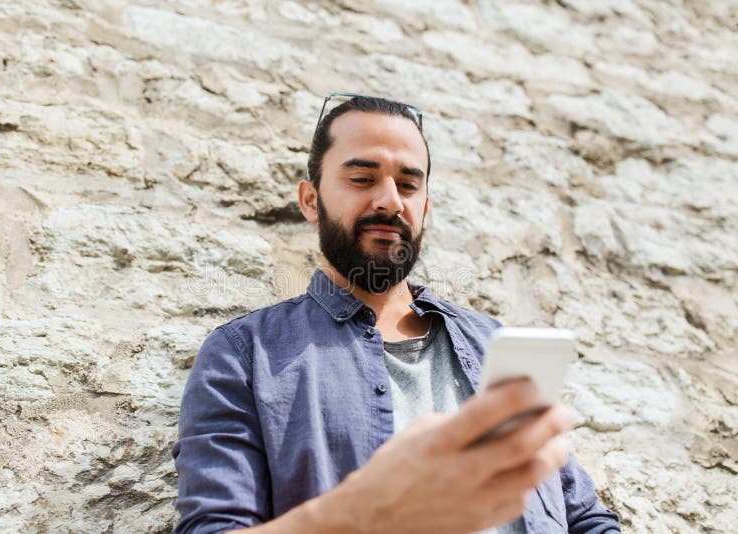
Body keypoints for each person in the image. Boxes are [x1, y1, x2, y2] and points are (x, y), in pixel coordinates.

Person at [172, 93, 621, 533]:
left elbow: (584, 518)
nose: (390, 201)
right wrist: (362, 512)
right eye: (363, 179)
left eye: (408, 185)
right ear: (310, 201)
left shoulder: (493, 343)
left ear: (424, 206)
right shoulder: (245, 355)